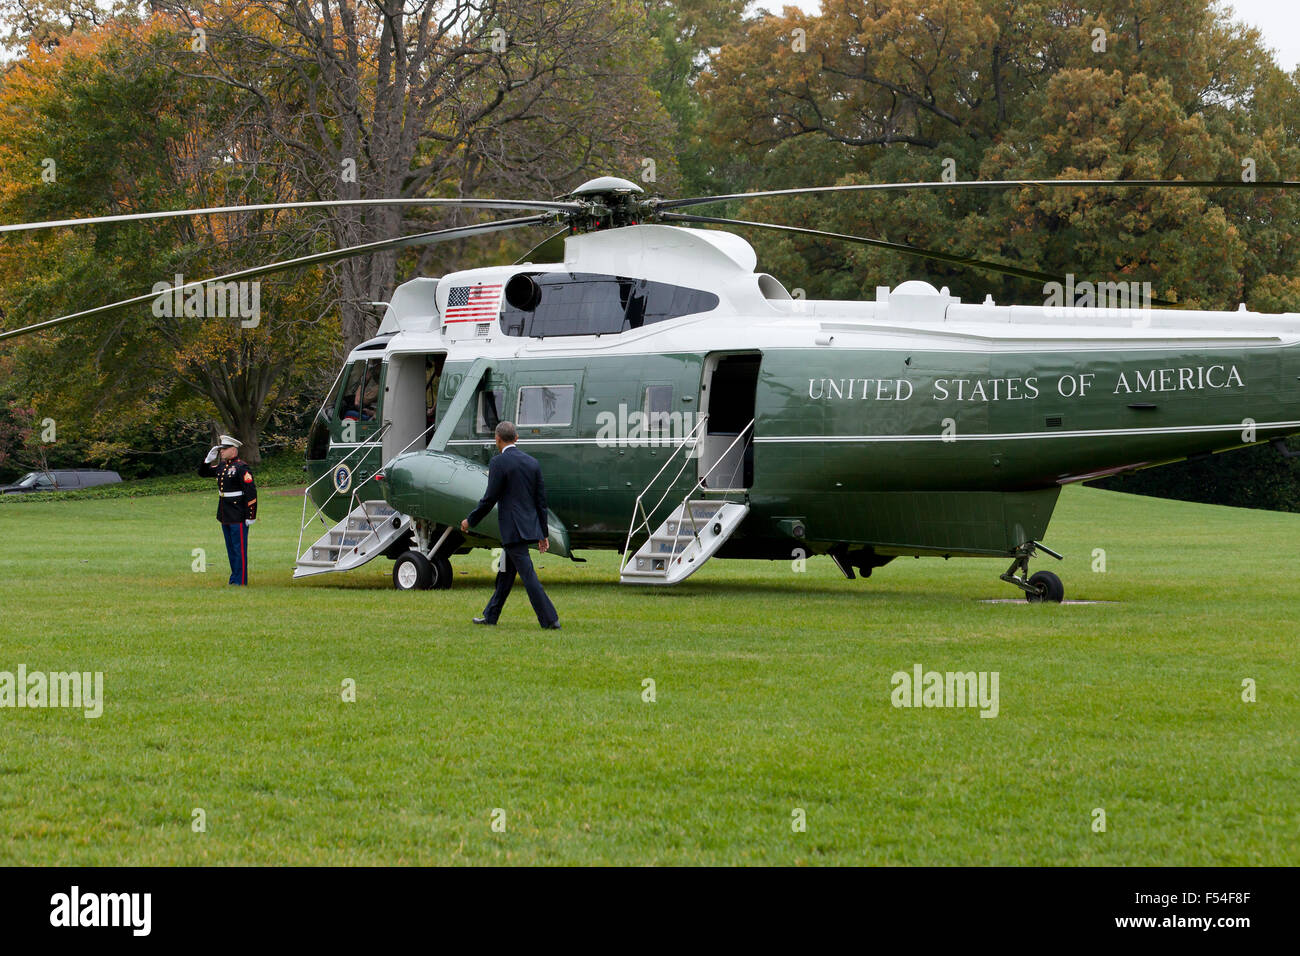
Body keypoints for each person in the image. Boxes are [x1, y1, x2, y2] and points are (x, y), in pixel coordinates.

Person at [461, 421, 560, 629]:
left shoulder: (498, 462)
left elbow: (490, 498)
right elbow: (541, 502)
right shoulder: (532, 463)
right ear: (516, 438)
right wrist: (543, 533)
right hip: (528, 527)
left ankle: (550, 620)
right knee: (505, 574)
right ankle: (491, 616)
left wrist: (471, 520)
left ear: (497, 439)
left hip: (512, 530)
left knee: (528, 576)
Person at [198, 435, 258, 586]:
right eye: (221, 449)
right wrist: (208, 460)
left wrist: (251, 515)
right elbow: (203, 473)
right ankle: (234, 578)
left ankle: (240, 580)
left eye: (224, 449)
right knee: (231, 549)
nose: (222, 452)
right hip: (225, 512)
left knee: (239, 549)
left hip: (238, 513)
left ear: (233, 450)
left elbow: (251, 492)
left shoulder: (241, 467)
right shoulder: (222, 466)